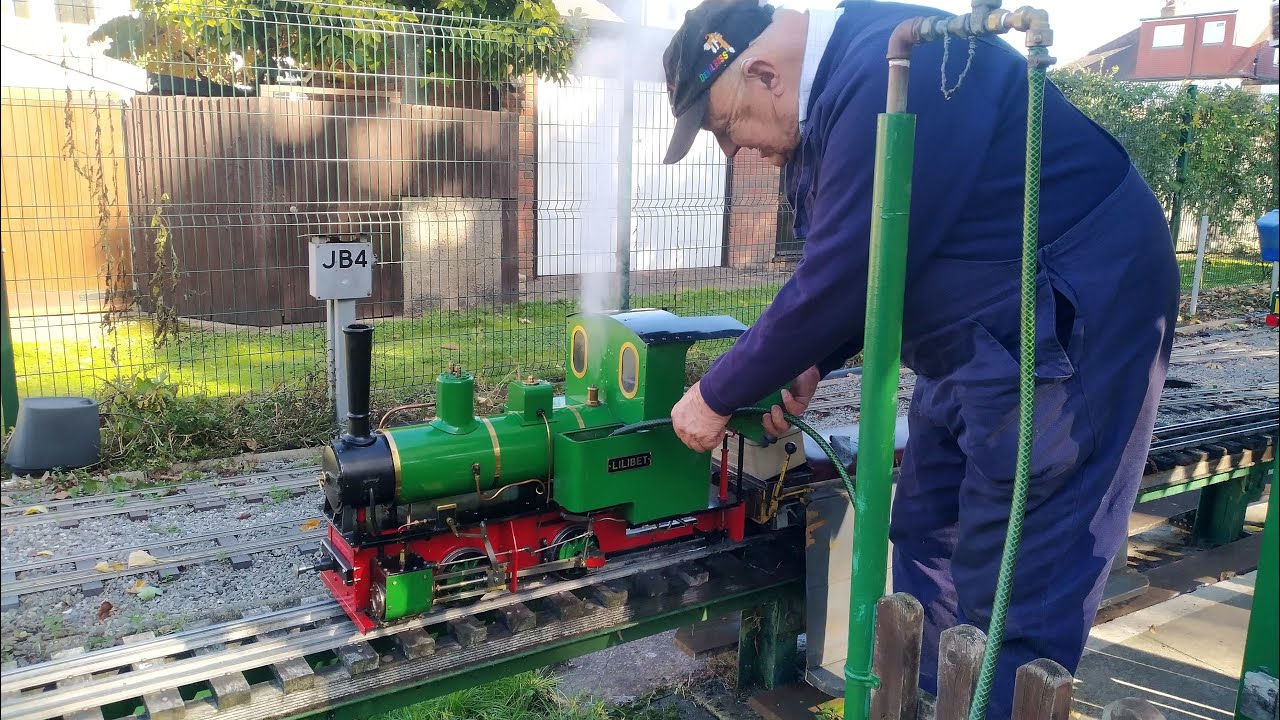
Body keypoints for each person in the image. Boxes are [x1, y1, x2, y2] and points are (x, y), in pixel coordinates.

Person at [659, 0, 1181, 716]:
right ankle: (929, 701)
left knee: (1016, 577)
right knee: (928, 528)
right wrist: (814, 358)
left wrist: (716, 393)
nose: (739, 151)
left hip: (1073, 306)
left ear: (766, 74)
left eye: (727, 129)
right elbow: (866, 264)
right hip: (973, 335)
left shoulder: (893, 69)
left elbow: (844, 268)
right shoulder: (828, 106)